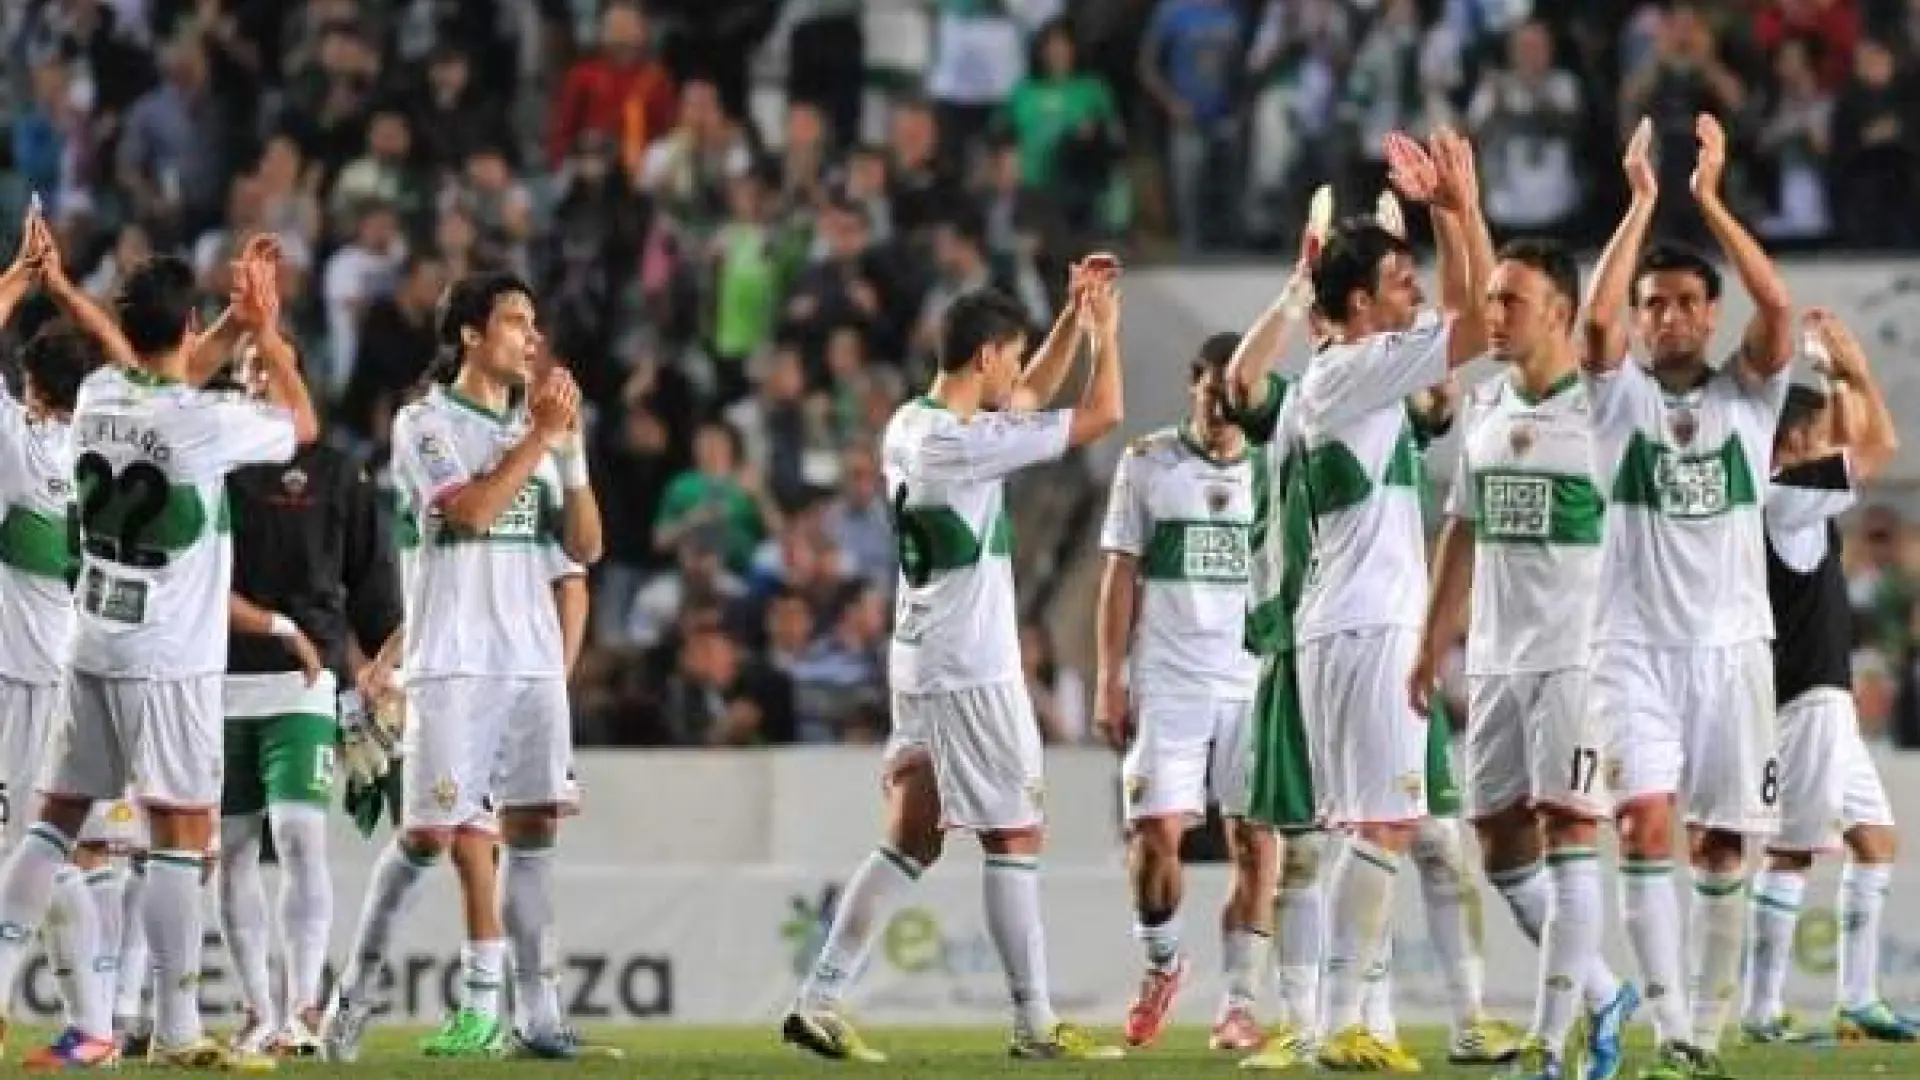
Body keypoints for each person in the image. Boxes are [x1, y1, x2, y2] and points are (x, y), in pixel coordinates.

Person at [782, 266, 1126, 1063]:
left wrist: (1071, 318)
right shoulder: (962, 444)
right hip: (972, 665)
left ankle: (819, 997)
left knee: (913, 837)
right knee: (1015, 832)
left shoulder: (911, 423)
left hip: (920, 654)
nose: (1017, 369)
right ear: (983, 358)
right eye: (1011, 356)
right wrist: (1106, 332)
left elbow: (1024, 403)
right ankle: (1035, 1024)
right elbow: (1100, 412)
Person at [0, 232, 317, 1070]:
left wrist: (70, 289)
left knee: (54, 824)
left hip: (88, 642)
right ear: (188, 327)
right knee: (181, 832)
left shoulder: (101, 391)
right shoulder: (199, 421)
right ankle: (177, 1031)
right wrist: (269, 335)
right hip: (169, 655)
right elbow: (301, 422)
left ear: (122, 325)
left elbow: (153, 358)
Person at [321, 270, 603, 1061]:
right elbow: (472, 514)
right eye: (516, 321)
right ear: (471, 336)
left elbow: (586, 548)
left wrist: (571, 459)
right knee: (426, 837)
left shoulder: (543, 433)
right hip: (454, 663)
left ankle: (536, 1015)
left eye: (534, 321)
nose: (532, 337)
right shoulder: (425, 423)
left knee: (533, 828)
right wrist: (541, 439)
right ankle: (352, 1000)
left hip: (531, 663)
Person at [1581, 114, 1796, 1079]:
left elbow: (1781, 313)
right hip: (1633, 650)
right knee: (1644, 824)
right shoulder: (1617, 398)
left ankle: (1701, 1034)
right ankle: (1669, 1024)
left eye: (1681, 303)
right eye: (1652, 305)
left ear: (1709, 315)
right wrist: (1641, 202)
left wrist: (1708, 199)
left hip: (1734, 651)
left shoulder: (1747, 401)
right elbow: (1588, 328)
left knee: (1721, 848)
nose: (1666, 317)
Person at [1283, 128, 1491, 1072]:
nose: (1414, 297)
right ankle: (1335, 1026)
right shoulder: (1357, 373)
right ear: (1360, 302)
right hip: (1368, 626)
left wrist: (1445, 223)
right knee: (1387, 825)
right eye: (1399, 283)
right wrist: (1459, 209)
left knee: (1366, 826)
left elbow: (1458, 325)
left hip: (1344, 624)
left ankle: (1355, 1023)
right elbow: (1484, 322)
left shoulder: (1339, 378)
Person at [1414, 238, 1639, 1080]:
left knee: (1569, 830)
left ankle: (1550, 1045)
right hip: (1499, 662)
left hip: (1580, 658)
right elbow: (1461, 531)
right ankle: (1605, 992)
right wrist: (1429, 641)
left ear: (1560, 312)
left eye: (1512, 301)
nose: (1494, 315)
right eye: (1493, 298)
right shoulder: (1482, 410)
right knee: (1499, 845)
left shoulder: (1605, 415)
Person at [215, 344, 404, 1056]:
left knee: (298, 837)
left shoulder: (337, 472)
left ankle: (301, 1005)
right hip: (220, 678)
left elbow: (372, 580)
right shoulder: (214, 461)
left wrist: (380, 667)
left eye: (273, 365)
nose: (259, 377)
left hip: (304, 681)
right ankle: (257, 1009)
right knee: (232, 849)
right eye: (248, 368)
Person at [1094, 332, 1271, 1052]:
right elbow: (1118, 573)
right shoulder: (1147, 463)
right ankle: (1165, 963)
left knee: (1256, 843)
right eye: (1211, 388)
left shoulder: (1275, 464)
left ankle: (1238, 1003)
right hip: (1168, 678)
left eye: (1237, 392)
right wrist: (1109, 674)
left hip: (1250, 679)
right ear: (1193, 384)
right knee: (1153, 837)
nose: (1223, 403)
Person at [1741, 311, 1913, 1044]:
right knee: (1792, 849)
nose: (1824, 451)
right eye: (1812, 441)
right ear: (1788, 447)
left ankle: (1857, 996)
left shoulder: (1796, 494)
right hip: (1805, 695)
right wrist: (1854, 372)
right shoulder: (1784, 497)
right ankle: (1759, 1009)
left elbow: (1849, 441)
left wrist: (1829, 375)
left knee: (1874, 840)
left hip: (1826, 697)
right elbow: (1879, 445)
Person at [0, 212, 115, 1067]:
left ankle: (93, 1024)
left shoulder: (22, 441)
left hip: (23, 674)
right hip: (66, 659)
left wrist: (19, 276)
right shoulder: (104, 440)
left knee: (36, 852)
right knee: (47, 848)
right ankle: (91, 1024)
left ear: (32, 386)